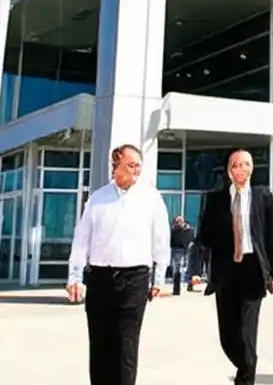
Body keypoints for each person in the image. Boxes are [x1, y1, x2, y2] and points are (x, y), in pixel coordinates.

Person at [67, 144, 171, 385]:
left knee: (126, 344)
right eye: (131, 164)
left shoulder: (150, 197)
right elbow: (82, 240)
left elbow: (161, 239)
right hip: (100, 279)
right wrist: (75, 276)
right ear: (116, 165)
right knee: (100, 343)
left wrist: (159, 277)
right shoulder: (97, 199)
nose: (136, 169)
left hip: (135, 279)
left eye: (138, 165)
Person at [197, 150, 273, 385]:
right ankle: (245, 365)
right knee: (227, 336)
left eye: (245, 164)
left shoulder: (265, 197)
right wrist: (197, 269)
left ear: (252, 168)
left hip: (253, 270)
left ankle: (245, 377)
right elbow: (204, 238)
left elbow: (271, 237)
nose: (240, 169)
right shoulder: (215, 199)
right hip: (226, 272)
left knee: (246, 331)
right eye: (235, 165)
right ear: (229, 171)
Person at [169, 215, 196, 295]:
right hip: (176, 250)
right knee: (177, 268)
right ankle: (177, 286)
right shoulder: (173, 230)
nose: (178, 223)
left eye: (180, 221)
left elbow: (191, 238)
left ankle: (185, 285)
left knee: (184, 267)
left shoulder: (188, 229)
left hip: (185, 250)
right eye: (177, 221)